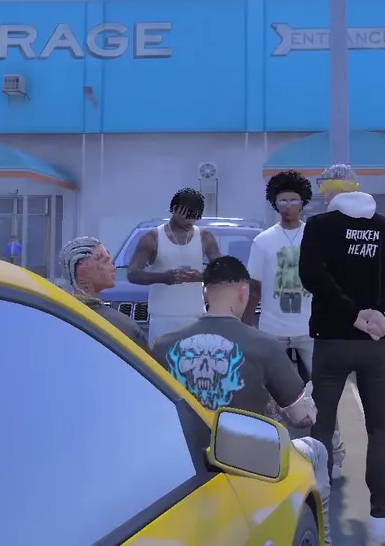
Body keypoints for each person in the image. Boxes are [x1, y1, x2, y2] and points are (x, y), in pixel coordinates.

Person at [151, 256, 331, 542]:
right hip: (248, 462)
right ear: (243, 292)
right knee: (317, 451)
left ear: (205, 292)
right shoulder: (264, 345)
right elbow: (303, 417)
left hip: (184, 465)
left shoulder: (162, 345)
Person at [299, 164, 385, 543]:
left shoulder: (319, 227)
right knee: (379, 429)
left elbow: (313, 276)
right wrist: (381, 312)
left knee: (321, 427)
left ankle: (318, 513)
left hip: (331, 341)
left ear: (331, 192)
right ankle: (381, 519)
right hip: (376, 344)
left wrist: (352, 314)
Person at [247, 170, 347, 478]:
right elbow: (254, 287)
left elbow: (331, 283)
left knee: (324, 395)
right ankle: (272, 456)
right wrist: (247, 327)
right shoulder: (263, 241)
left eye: (293, 200)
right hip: (272, 330)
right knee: (267, 399)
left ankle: (334, 457)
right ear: (274, 203)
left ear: (303, 202)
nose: (287, 205)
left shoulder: (317, 237)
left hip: (311, 328)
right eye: (282, 200)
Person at [127, 188, 222, 342]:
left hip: (195, 316)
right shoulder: (152, 238)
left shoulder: (205, 237)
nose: (191, 221)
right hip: (162, 318)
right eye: (187, 215)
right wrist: (163, 278)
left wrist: (200, 277)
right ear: (175, 209)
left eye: (195, 217)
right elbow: (132, 274)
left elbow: (222, 272)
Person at [58, 236, 150, 352]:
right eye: (105, 261)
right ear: (84, 270)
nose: (113, 267)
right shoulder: (122, 327)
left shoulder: (55, 316)